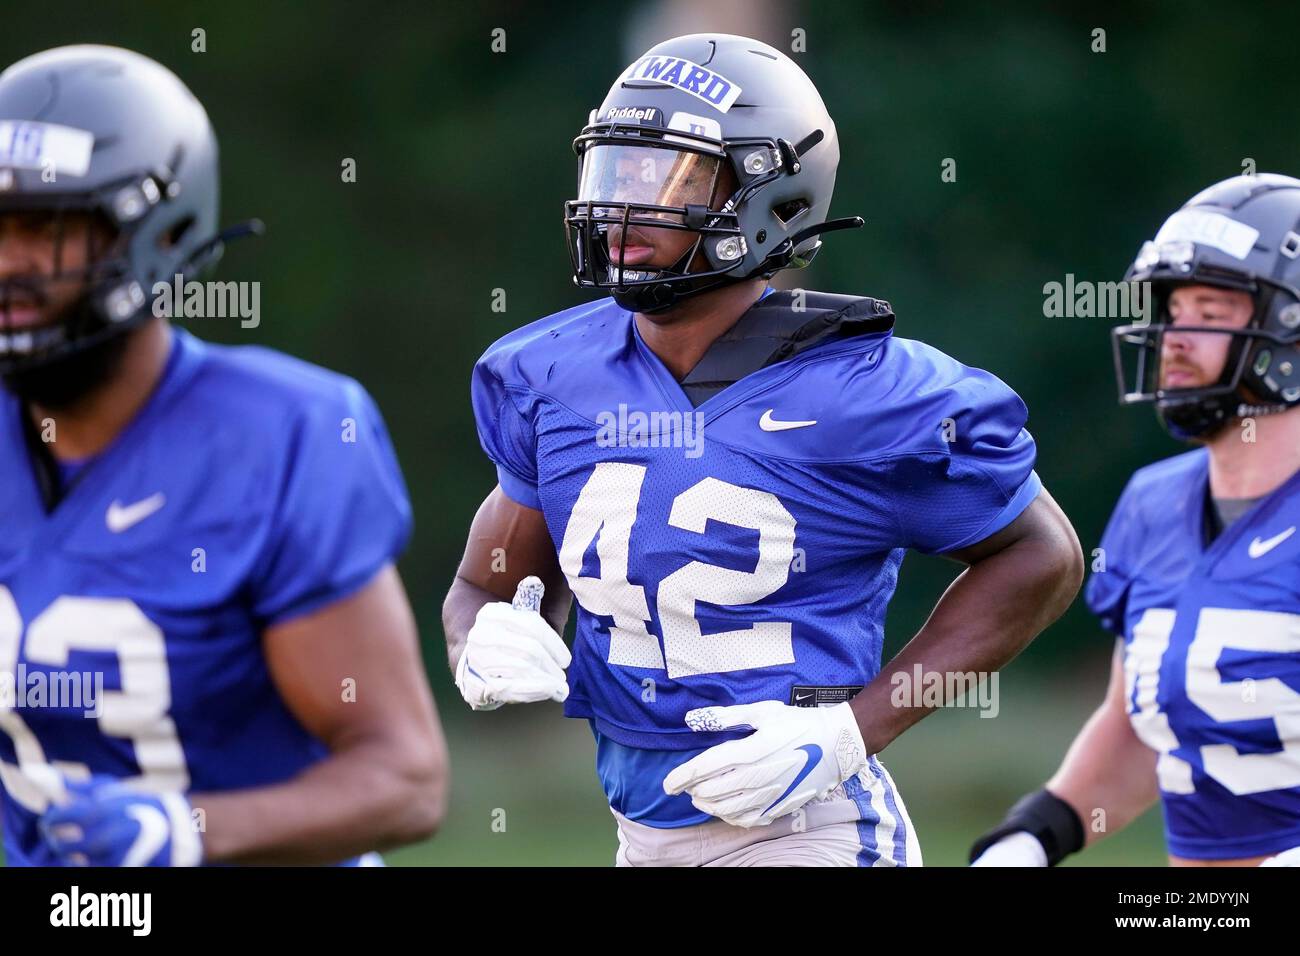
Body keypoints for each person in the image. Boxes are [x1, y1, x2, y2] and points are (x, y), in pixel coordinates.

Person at [445, 33, 1082, 867]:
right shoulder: (546, 372)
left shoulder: (872, 393)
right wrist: (481, 637)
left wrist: (855, 729)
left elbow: (1044, 557)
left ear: (770, 198)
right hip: (635, 834)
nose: (625, 207)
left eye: (667, 176)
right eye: (617, 171)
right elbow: (484, 585)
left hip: (806, 832)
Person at [0, 45, 447, 866]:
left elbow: (407, 777)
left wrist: (187, 830)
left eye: (47, 229)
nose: (7, 263)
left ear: (154, 233)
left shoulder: (277, 435)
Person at [971, 174, 1300, 867]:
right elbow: (1137, 731)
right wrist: (1033, 837)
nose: (1176, 338)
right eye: (1174, 310)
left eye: (1210, 313)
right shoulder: (1154, 505)